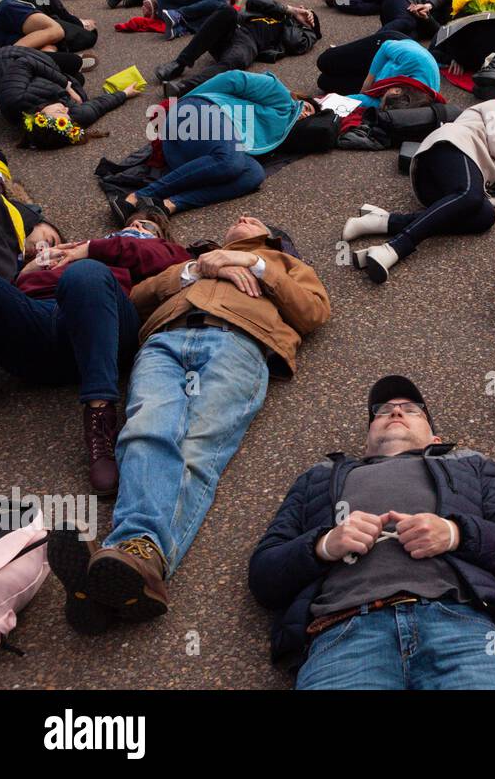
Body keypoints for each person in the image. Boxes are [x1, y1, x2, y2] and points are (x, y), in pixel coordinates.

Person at [46, 216, 330, 634]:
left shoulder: (286, 265)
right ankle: (128, 571)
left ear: (271, 237)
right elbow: (139, 297)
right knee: (144, 430)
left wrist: (252, 263)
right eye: (237, 218)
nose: (242, 217)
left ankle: (131, 555)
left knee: (197, 445)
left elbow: (313, 312)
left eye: (254, 219)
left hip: (238, 343)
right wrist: (198, 269)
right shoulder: (193, 263)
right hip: (164, 342)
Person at [246, 375, 495, 687]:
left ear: (435, 438)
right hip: (344, 634)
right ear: (366, 443)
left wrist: (455, 533)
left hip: (461, 625)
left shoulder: (472, 465)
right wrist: (323, 545)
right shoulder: (319, 477)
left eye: (411, 409)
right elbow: (263, 577)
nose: (395, 412)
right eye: (382, 410)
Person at [0, 211, 187, 494]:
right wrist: (26, 272)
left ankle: (100, 424)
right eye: (130, 223)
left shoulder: (158, 251)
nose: (134, 226)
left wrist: (90, 249)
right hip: (39, 324)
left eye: (145, 226)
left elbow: (172, 262)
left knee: (85, 274)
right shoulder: (65, 253)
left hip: (102, 329)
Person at [341, 99, 495, 283]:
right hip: (451, 147)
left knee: (485, 217)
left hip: (445, 188)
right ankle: (393, 248)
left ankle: (382, 222)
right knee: (470, 194)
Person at [110, 72, 338, 219]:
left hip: (188, 154)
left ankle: (169, 204)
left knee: (254, 174)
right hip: (196, 111)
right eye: (306, 108)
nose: (304, 115)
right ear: (298, 100)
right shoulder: (281, 97)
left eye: (309, 116)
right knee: (231, 160)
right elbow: (232, 78)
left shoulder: (278, 136)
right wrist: (179, 104)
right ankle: (136, 197)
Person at [154, 0, 321, 94]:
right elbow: (253, 0)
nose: (303, 10)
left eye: (308, 13)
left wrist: (300, 24)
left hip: (249, 43)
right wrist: (288, 10)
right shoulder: (278, 10)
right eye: (303, 8)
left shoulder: (301, 31)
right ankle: (179, 64)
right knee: (228, 11)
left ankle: (185, 87)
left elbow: (295, 43)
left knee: (237, 58)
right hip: (234, 29)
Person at [0, 46, 139, 144]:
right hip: (44, 75)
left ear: (40, 116)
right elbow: (98, 107)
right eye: (67, 115)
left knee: (75, 63)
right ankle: (53, 51)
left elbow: (25, 63)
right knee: (79, 78)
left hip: (10, 58)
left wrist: (66, 85)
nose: (66, 109)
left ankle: (47, 47)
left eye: (59, 111)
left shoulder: (14, 99)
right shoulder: (68, 116)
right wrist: (125, 93)